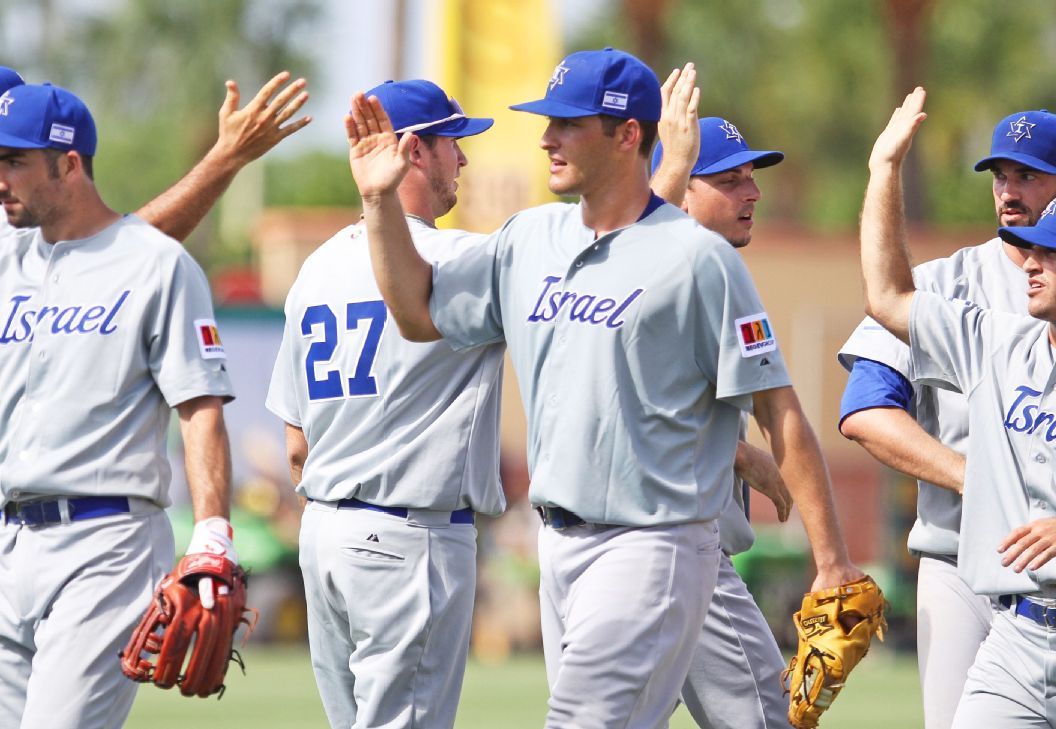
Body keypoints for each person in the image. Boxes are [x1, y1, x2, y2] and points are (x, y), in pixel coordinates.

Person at [347, 47, 862, 728]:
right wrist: (380, 200)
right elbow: (416, 313)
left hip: (653, 544)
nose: (546, 138)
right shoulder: (528, 238)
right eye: (549, 121)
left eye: (569, 124)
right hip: (558, 549)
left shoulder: (698, 259)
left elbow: (778, 408)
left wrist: (832, 562)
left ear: (627, 136)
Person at [0, 65, 309, 729]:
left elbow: (130, 277)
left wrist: (213, 533)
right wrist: (224, 161)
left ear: (66, 163)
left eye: (11, 158)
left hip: (85, 538)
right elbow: (115, 249)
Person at [837, 104, 1056, 726]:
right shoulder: (959, 294)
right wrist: (981, 479)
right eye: (1000, 175)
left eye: (1029, 176)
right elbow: (865, 404)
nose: (1009, 192)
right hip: (963, 559)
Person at [265, 79, 504, 729]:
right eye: (455, 142)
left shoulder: (313, 269)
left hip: (325, 535)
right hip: (407, 534)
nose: (465, 159)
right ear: (415, 152)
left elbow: (295, 445)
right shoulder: (464, 258)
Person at [647, 74, 798, 729]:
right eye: (731, 179)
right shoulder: (684, 277)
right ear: (682, 193)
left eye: (751, 176)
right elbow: (640, 407)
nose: (753, 190)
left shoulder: (697, 271)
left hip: (618, 552)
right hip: (676, 547)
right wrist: (746, 455)